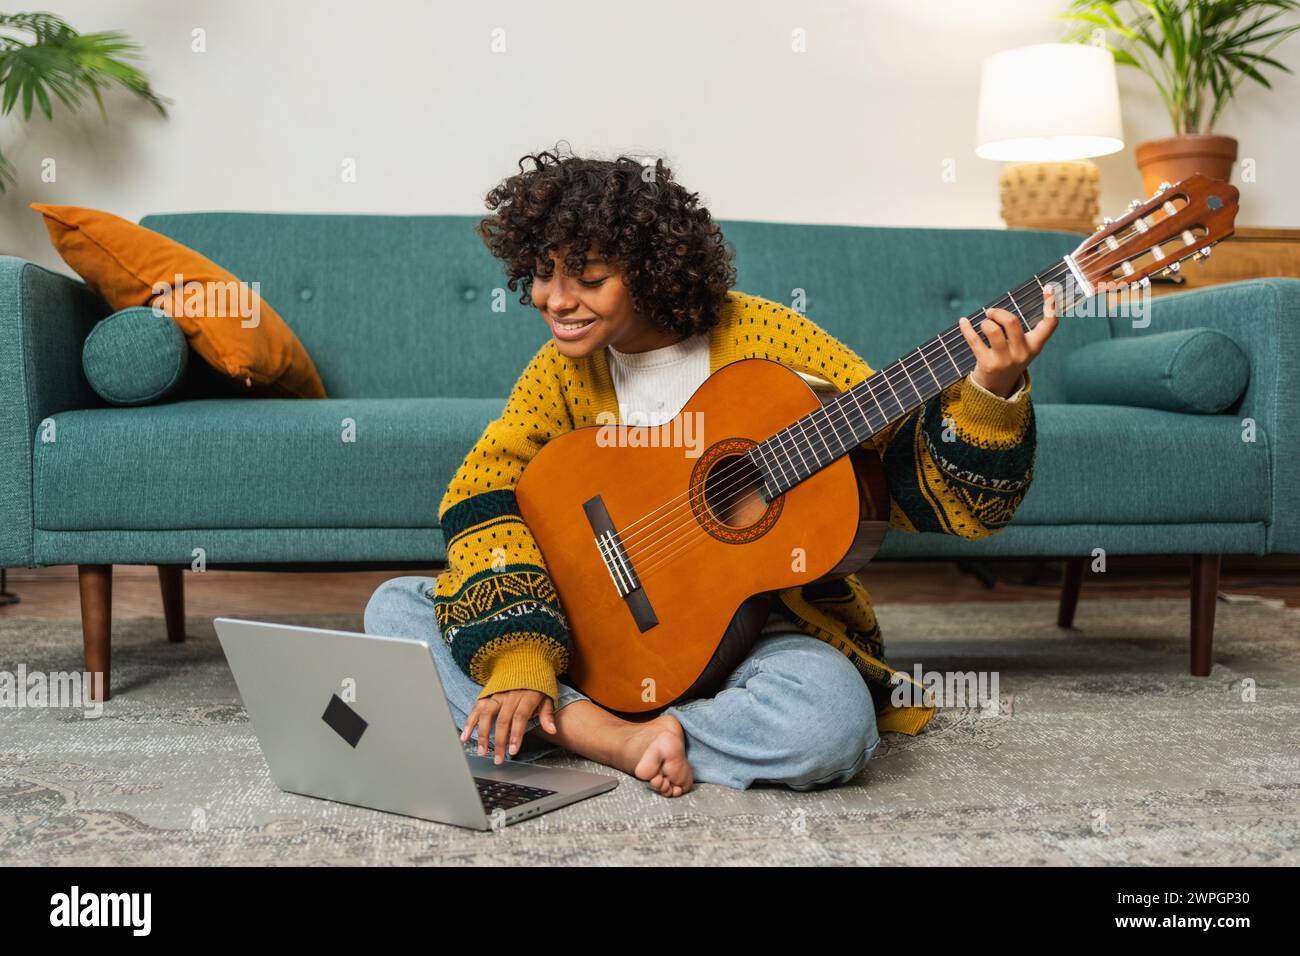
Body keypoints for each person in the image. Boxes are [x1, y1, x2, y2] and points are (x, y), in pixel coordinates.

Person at [364, 146, 1056, 798]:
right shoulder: (561, 372)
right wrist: (520, 653)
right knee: (394, 608)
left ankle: (603, 730)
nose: (556, 300)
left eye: (590, 278)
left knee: (832, 724)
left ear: (652, 270)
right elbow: (481, 484)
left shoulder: (764, 339)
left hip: (755, 635)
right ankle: (608, 736)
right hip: (585, 628)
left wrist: (991, 393)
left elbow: (906, 473)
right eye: (543, 272)